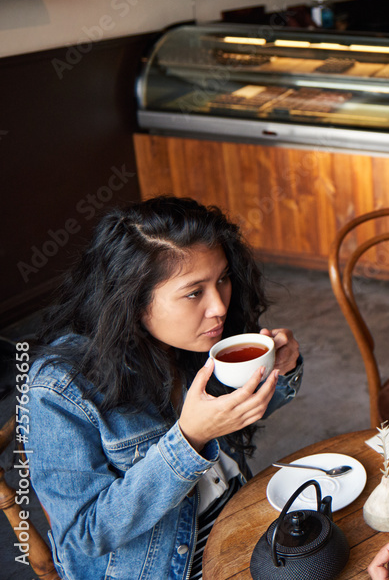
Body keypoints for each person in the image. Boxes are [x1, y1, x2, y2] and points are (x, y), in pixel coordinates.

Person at [27, 196, 304, 580]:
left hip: (241, 524)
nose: (219, 307)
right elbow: (82, 536)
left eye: (222, 279)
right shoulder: (59, 390)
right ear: (132, 299)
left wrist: (282, 371)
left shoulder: (194, 341)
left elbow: (231, 417)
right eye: (194, 292)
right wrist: (189, 440)